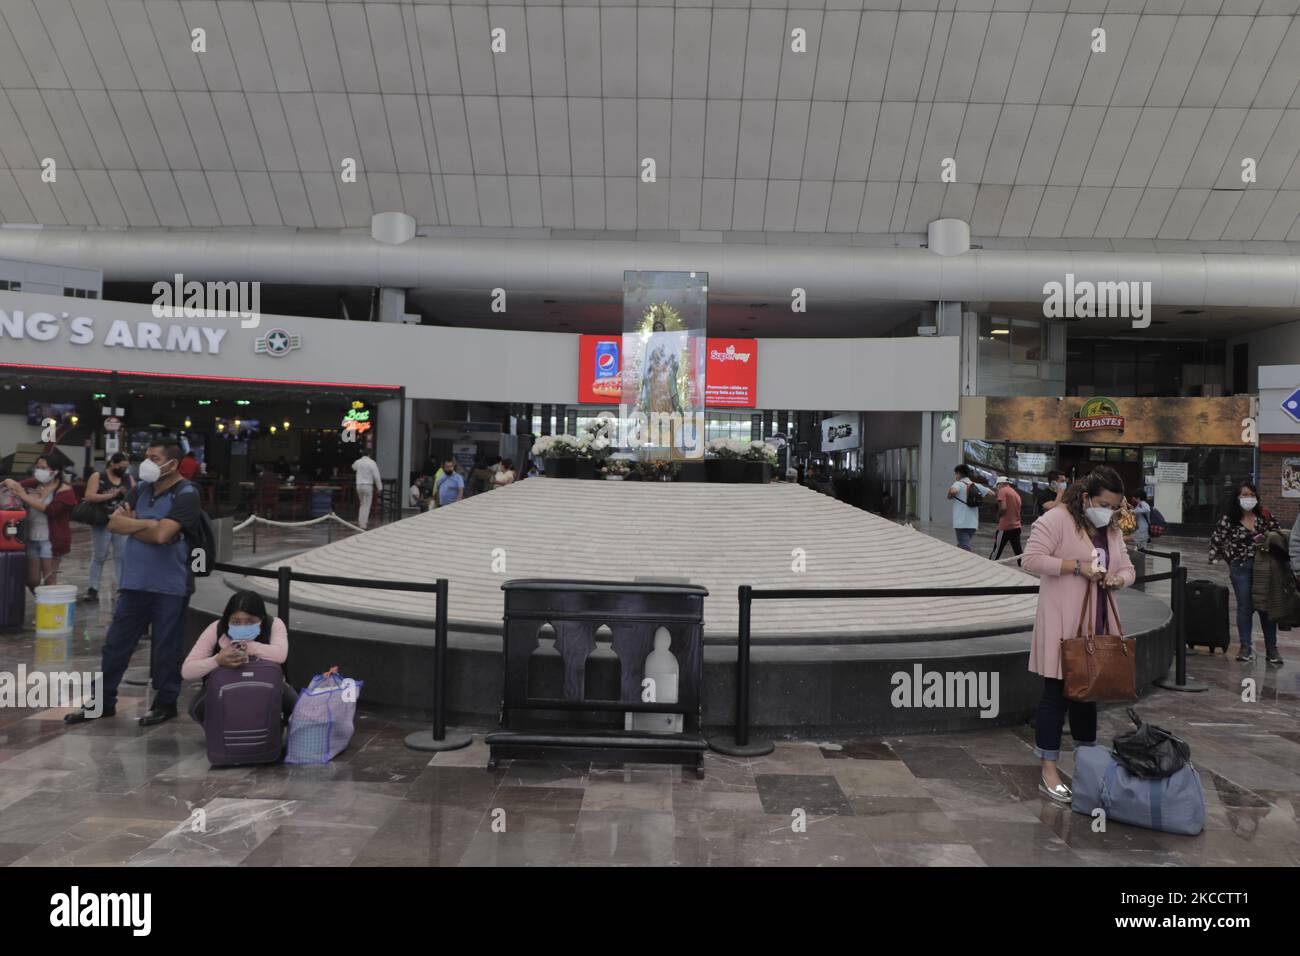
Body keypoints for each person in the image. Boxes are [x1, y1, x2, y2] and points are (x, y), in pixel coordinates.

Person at [65, 442, 202, 727]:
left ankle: (165, 703)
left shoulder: (187, 494)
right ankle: (102, 702)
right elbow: (113, 524)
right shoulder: (140, 489)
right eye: (146, 457)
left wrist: (141, 525)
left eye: (154, 458)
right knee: (115, 645)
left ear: (172, 464)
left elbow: (164, 535)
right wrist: (149, 524)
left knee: (166, 648)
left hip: (170, 586)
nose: (146, 463)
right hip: (133, 583)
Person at [1021, 466, 1135, 804]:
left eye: (1116, 507)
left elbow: (1127, 566)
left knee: (1089, 697)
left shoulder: (1111, 529)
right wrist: (1076, 567)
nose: (1110, 512)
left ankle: (1087, 765)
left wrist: (1119, 580)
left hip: (1098, 626)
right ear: (1086, 497)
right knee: (1055, 695)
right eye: (1104, 504)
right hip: (1064, 626)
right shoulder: (1057, 521)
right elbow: (1031, 559)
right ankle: (1049, 769)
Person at [182, 589, 296, 725]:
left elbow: (280, 654)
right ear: (227, 619)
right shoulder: (216, 629)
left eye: (250, 622)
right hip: (225, 686)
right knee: (197, 709)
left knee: (295, 705)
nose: (243, 627)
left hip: (267, 685)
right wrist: (217, 660)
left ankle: (272, 734)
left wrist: (247, 646)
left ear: (261, 619)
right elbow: (187, 671)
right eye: (236, 622)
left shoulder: (274, 624)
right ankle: (220, 735)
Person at [1209, 482, 1283, 665]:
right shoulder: (1229, 518)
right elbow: (1217, 539)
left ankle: (1272, 649)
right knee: (1245, 606)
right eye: (1244, 495)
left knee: (1266, 606)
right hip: (1240, 567)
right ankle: (1245, 647)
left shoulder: (1264, 515)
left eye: (1251, 494)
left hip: (1264, 567)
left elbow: (1278, 535)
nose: (1248, 498)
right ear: (1237, 498)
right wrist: (1229, 558)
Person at [2, 457, 78, 591]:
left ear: (55, 471)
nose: (39, 471)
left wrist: (24, 496)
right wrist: (9, 481)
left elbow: (51, 510)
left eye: (43, 468)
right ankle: (41, 600)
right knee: (32, 580)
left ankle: (49, 608)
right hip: (31, 539)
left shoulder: (65, 491)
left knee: (50, 580)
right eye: (37, 467)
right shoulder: (34, 484)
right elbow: (14, 486)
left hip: (51, 541)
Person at [82, 452, 135, 602]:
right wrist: (112, 495)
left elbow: (135, 496)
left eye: (125, 467)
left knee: (121, 556)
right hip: (101, 521)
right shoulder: (98, 477)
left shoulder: (128, 478)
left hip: (121, 521)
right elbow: (89, 496)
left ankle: (121, 587)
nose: (123, 470)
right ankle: (93, 588)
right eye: (120, 466)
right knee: (99, 556)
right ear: (112, 463)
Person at [946, 464, 993, 551]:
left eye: (955, 474)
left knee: (964, 547)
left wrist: (949, 495)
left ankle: (968, 561)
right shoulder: (975, 485)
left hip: (961, 522)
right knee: (962, 544)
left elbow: (953, 491)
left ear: (959, 474)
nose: (955, 476)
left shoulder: (958, 484)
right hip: (973, 523)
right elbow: (991, 493)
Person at [990, 476, 1023, 561]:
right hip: (1016, 527)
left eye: (997, 486)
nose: (997, 489)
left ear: (1000, 484)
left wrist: (998, 515)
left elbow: (1003, 508)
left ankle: (989, 565)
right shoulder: (1015, 493)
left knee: (996, 551)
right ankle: (1024, 566)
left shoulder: (1002, 491)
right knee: (1018, 552)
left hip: (1005, 527)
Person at [351, 450, 382, 530]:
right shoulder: (372, 463)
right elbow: (376, 476)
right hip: (368, 485)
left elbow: (353, 467)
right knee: (367, 505)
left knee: (362, 504)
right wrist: (379, 487)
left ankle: (360, 521)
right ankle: (363, 524)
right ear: (370, 454)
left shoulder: (358, 462)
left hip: (359, 485)